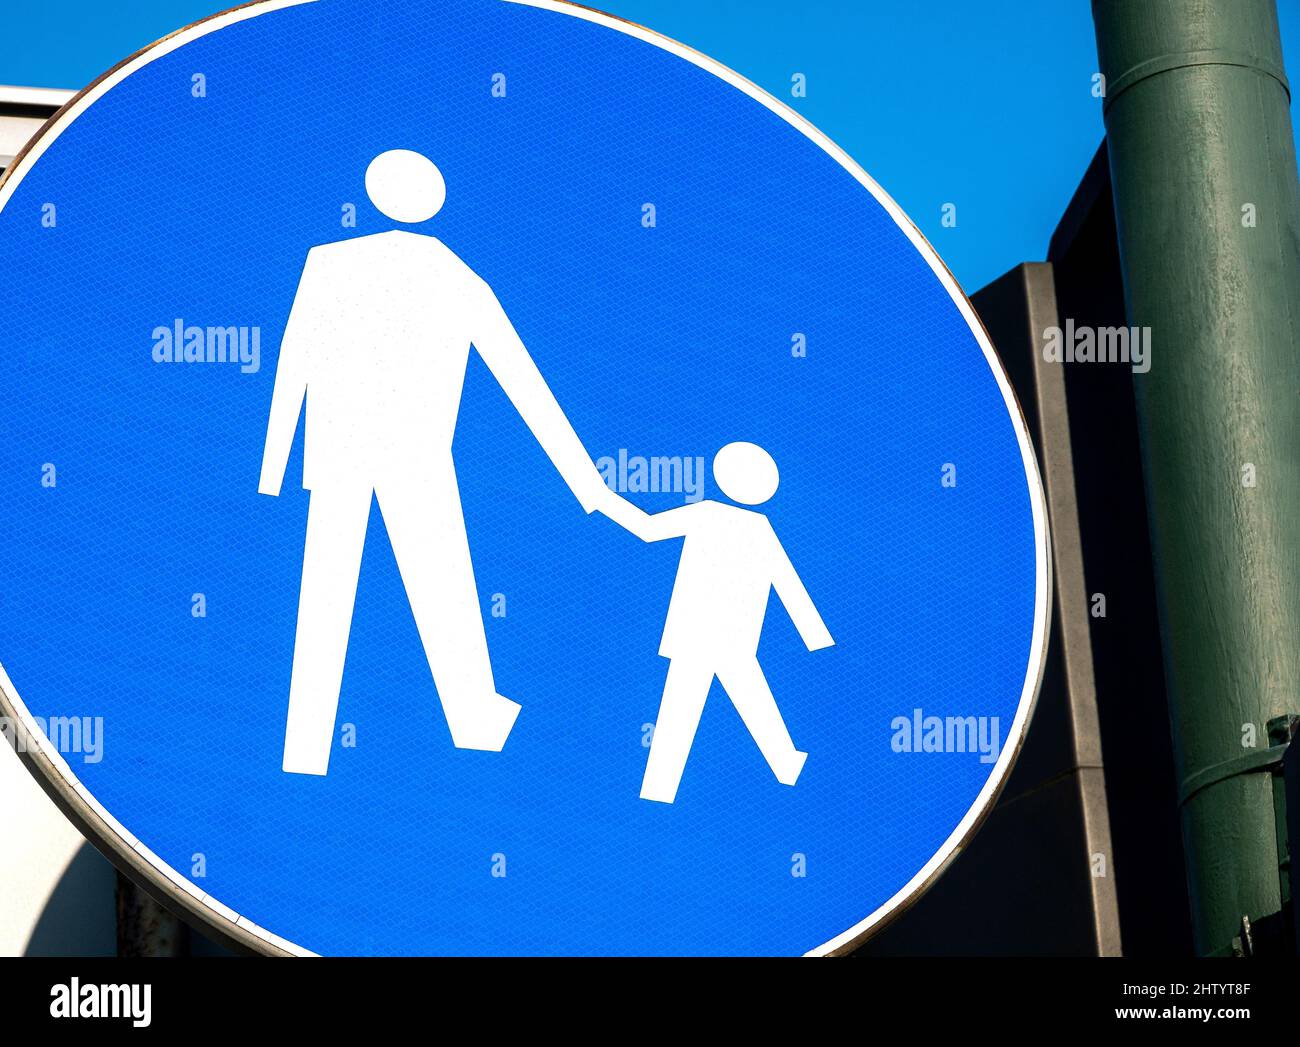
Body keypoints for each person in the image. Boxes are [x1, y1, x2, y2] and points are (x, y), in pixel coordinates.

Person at [260, 149, 612, 775]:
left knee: (325, 597)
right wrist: (591, 489)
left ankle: (304, 746)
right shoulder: (459, 277)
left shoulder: (329, 262)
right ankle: (475, 721)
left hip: (339, 451)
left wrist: (274, 465)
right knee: (444, 587)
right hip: (416, 456)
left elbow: (294, 361)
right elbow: (526, 388)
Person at [599, 441, 834, 803]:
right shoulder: (760, 527)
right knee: (746, 699)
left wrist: (606, 501)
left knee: (688, 706)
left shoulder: (709, 513)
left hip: (699, 632)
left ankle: (662, 788)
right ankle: (785, 764)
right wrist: (815, 637)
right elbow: (789, 585)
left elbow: (648, 528)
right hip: (731, 637)